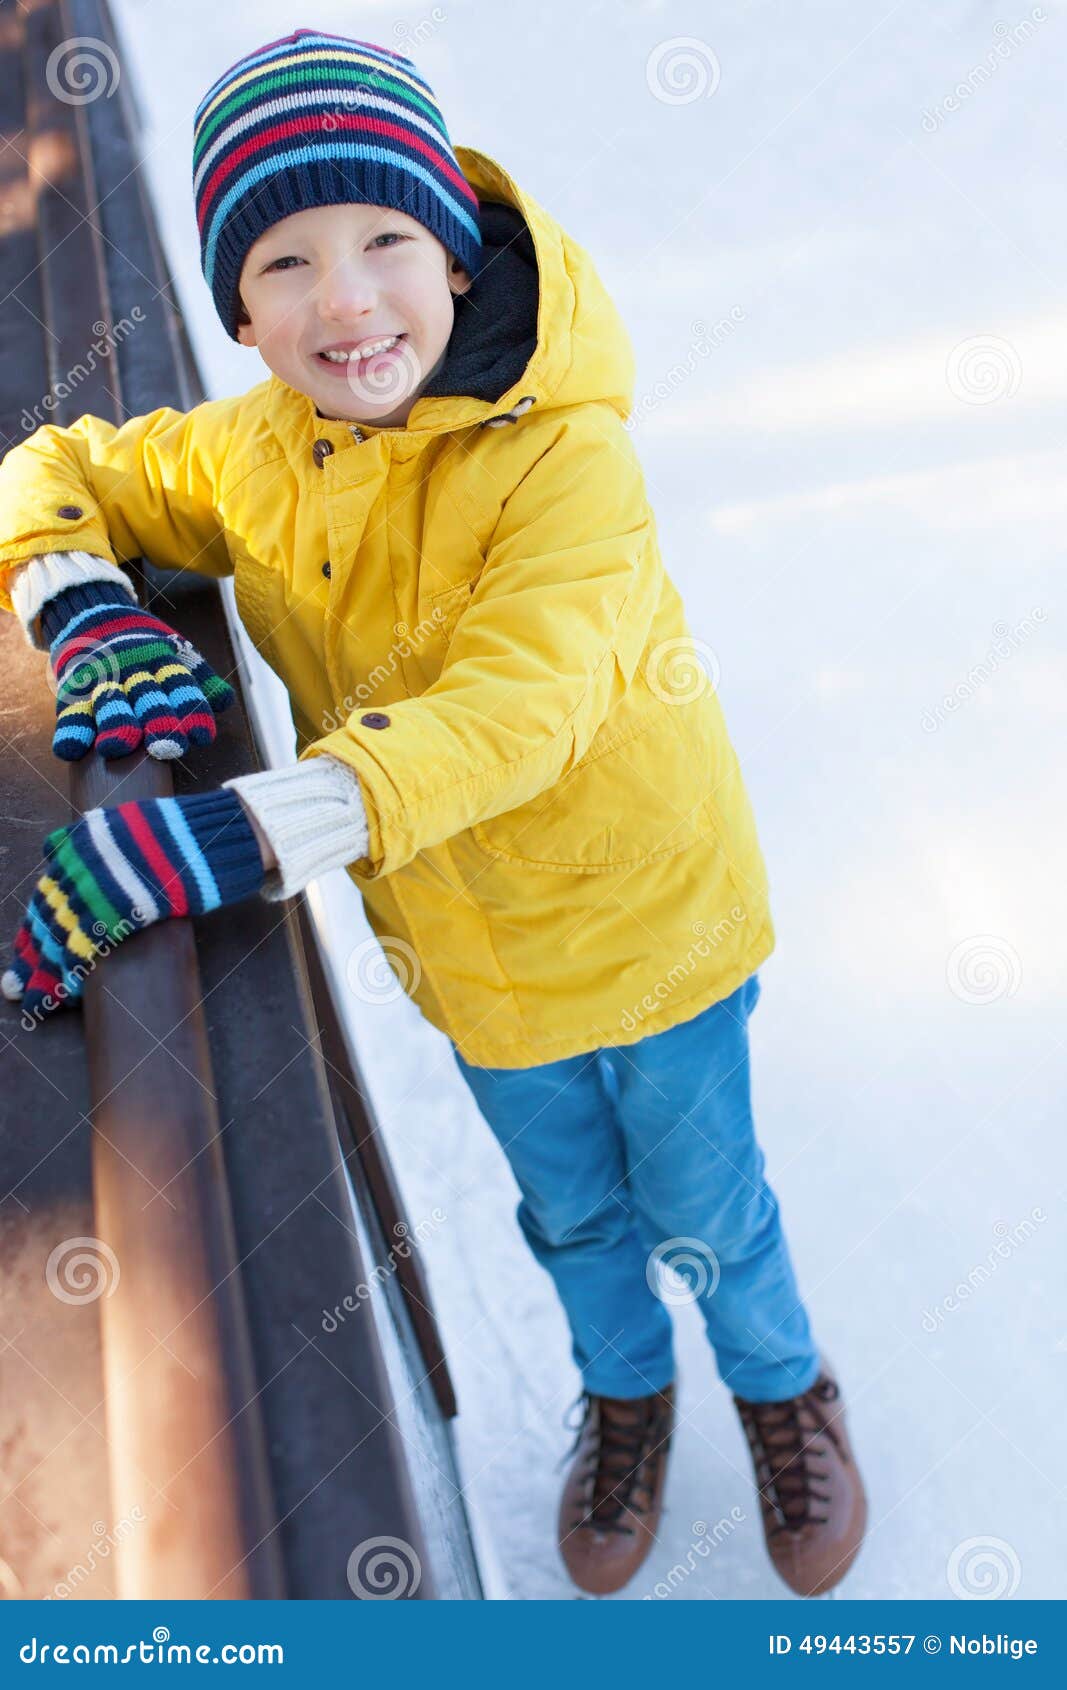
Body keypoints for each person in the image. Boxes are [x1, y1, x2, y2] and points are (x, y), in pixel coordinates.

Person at [0, 29, 866, 1598]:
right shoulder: (255, 454)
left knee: (704, 1204)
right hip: (476, 962)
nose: (345, 298)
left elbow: (521, 705)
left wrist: (254, 828)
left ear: (457, 259)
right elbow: (58, 461)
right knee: (572, 1212)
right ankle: (627, 1394)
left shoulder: (565, 463)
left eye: (387, 239)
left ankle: (784, 1385)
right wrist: (83, 600)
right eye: (286, 260)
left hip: (652, 927)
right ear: (239, 310)